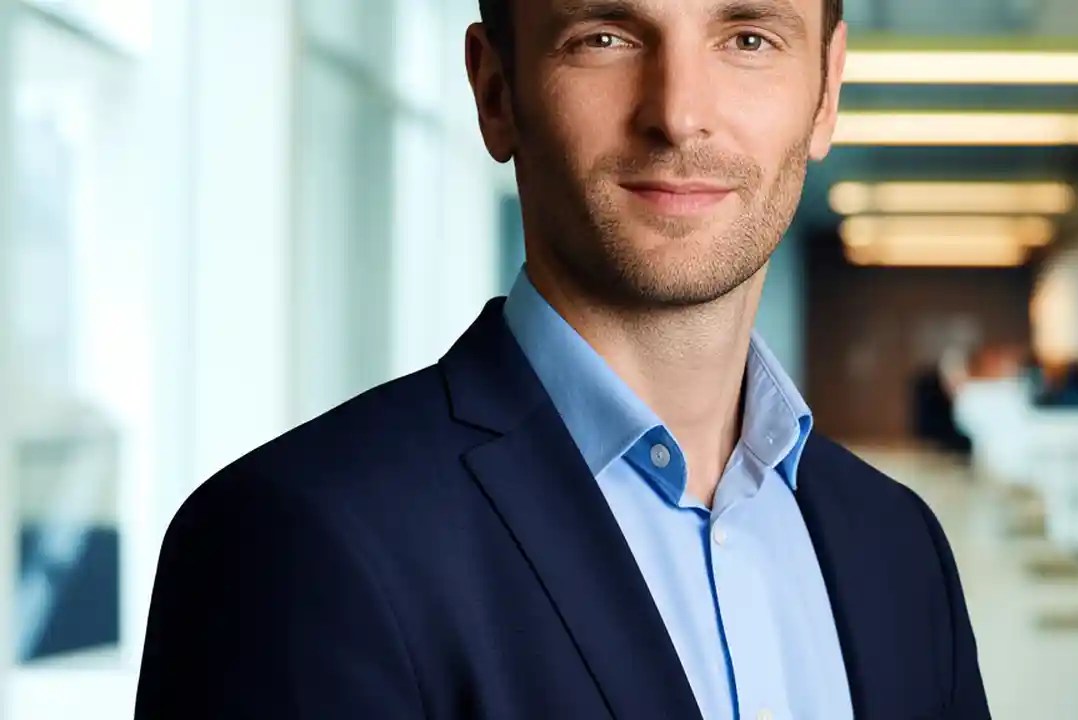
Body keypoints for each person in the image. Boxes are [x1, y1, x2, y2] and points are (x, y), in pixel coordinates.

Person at [134, 0, 990, 717]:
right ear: (495, 90)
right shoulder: (295, 546)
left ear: (827, 90)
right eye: (604, 36)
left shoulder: (899, 548)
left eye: (749, 37)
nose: (679, 112)